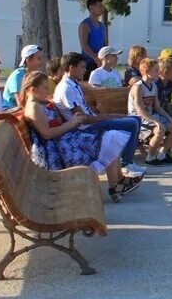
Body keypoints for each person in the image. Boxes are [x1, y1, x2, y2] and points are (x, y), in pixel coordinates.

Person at [22, 71, 139, 202]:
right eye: (45, 87)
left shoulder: (38, 104)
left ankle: (118, 181)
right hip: (62, 151)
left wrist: (71, 123)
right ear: (33, 90)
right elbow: (47, 134)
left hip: (66, 142)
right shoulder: (34, 107)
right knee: (110, 138)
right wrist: (71, 124)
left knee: (110, 138)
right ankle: (115, 185)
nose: (48, 90)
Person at [53, 52, 146, 177]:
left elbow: (87, 112)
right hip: (84, 128)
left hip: (92, 121)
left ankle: (127, 161)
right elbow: (82, 119)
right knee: (132, 123)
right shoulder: (66, 89)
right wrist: (108, 117)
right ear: (71, 68)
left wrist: (111, 116)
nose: (85, 70)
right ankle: (126, 164)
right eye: (82, 67)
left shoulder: (73, 84)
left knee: (135, 119)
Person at [128, 58, 172, 166]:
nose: (158, 72)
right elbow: (139, 110)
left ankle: (162, 155)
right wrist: (156, 122)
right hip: (138, 118)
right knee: (159, 130)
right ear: (147, 71)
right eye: (156, 70)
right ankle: (150, 158)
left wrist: (170, 118)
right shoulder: (138, 87)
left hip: (151, 116)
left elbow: (158, 107)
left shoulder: (154, 86)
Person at [2, 44, 44, 109]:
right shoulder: (17, 75)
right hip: (10, 113)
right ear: (28, 60)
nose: (41, 61)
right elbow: (21, 103)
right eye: (38, 58)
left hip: (25, 109)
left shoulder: (34, 75)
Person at [77, 0, 107, 75]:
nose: (102, 8)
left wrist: (105, 58)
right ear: (91, 8)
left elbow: (104, 44)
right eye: (100, 6)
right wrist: (95, 58)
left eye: (102, 6)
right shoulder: (85, 25)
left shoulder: (102, 26)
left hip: (100, 63)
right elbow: (84, 45)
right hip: (88, 63)